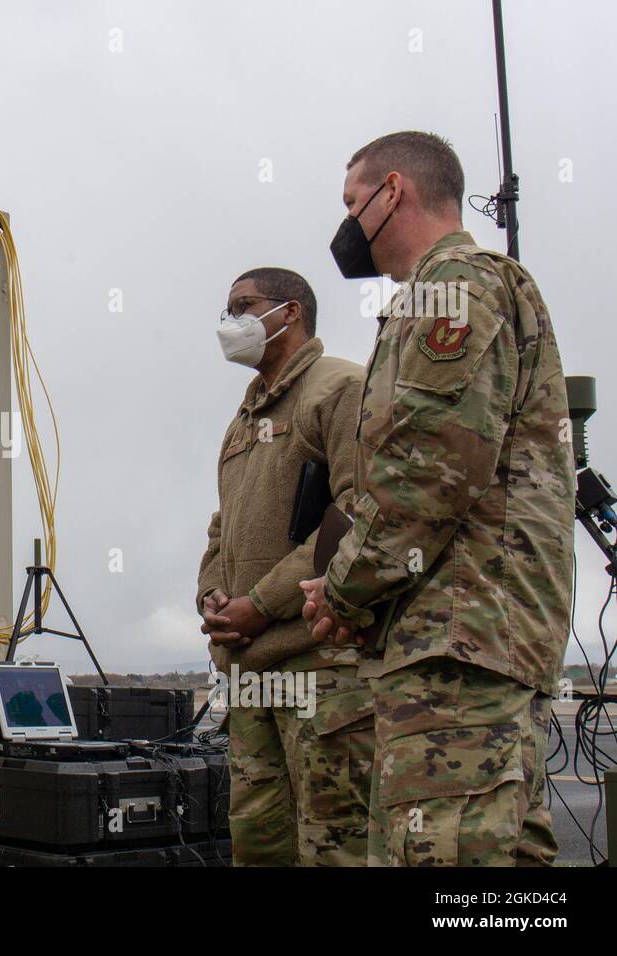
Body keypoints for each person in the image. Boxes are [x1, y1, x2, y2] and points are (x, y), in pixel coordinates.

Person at [301, 131, 574, 866]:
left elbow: (427, 477)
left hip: (458, 641)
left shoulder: (452, 287)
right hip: (470, 637)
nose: (348, 225)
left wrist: (343, 593)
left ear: (394, 192)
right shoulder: (444, 293)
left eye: (353, 203)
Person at [197, 267, 375, 865]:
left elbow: (355, 511)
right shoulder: (242, 420)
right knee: (258, 843)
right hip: (250, 672)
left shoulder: (341, 387)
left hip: (319, 662)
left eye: (243, 307)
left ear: (290, 312)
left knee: (334, 842)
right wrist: (213, 601)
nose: (232, 324)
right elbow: (222, 527)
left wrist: (262, 604)